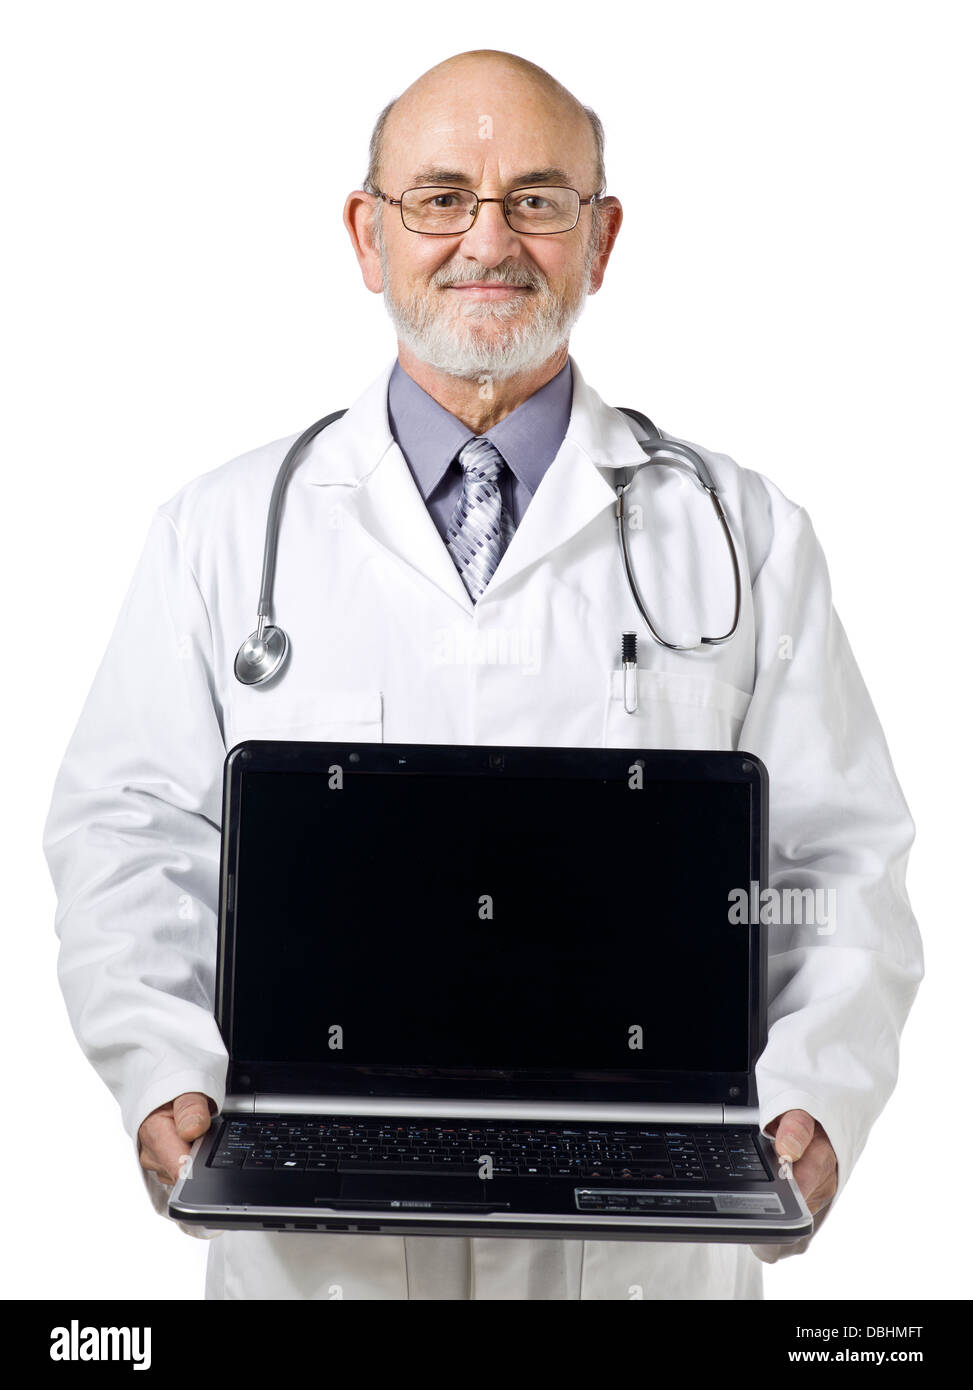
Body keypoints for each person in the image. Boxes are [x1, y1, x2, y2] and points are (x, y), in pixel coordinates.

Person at [42, 48, 922, 1300]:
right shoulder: (222, 534)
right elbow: (129, 836)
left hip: (637, 1238)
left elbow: (835, 866)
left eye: (539, 198)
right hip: (320, 1253)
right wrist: (163, 1067)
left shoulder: (740, 535)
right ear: (368, 232)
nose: (487, 239)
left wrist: (815, 1097)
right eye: (441, 196)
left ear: (601, 237)